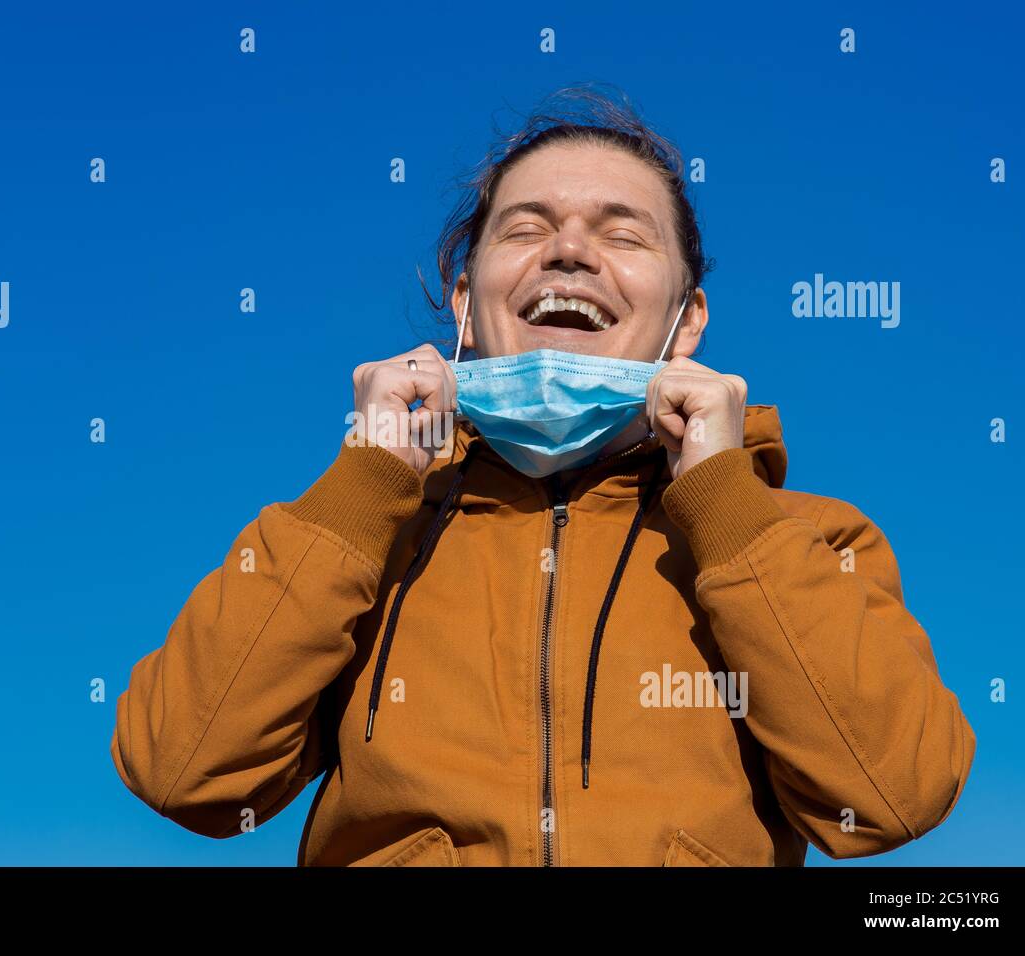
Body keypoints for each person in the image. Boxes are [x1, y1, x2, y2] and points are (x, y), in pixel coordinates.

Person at [110, 87, 976, 866]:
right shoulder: (372, 529)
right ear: (462, 304)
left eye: (623, 233)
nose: (567, 251)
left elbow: (890, 797)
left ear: (687, 321)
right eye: (524, 228)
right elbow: (185, 771)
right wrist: (365, 485)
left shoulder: (811, 538)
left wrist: (724, 504)